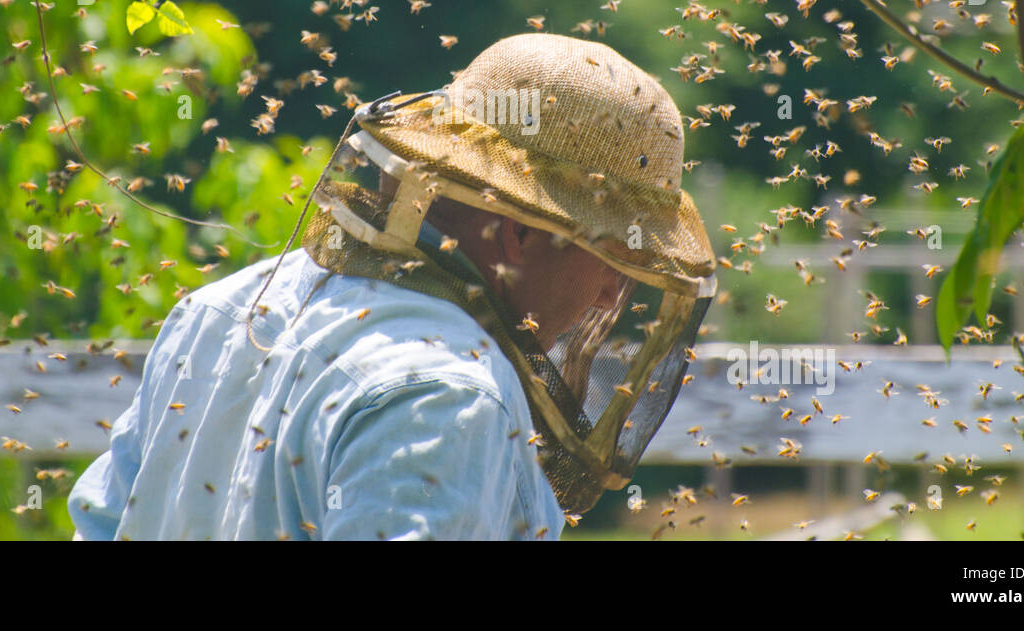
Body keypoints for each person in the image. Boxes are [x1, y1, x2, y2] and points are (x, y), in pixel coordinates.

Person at [68, 33, 715, 540]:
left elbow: (102, 525)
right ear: (521, 235)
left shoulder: (222, 310)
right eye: (612, 259)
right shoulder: (448, 394)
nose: (610, 298)